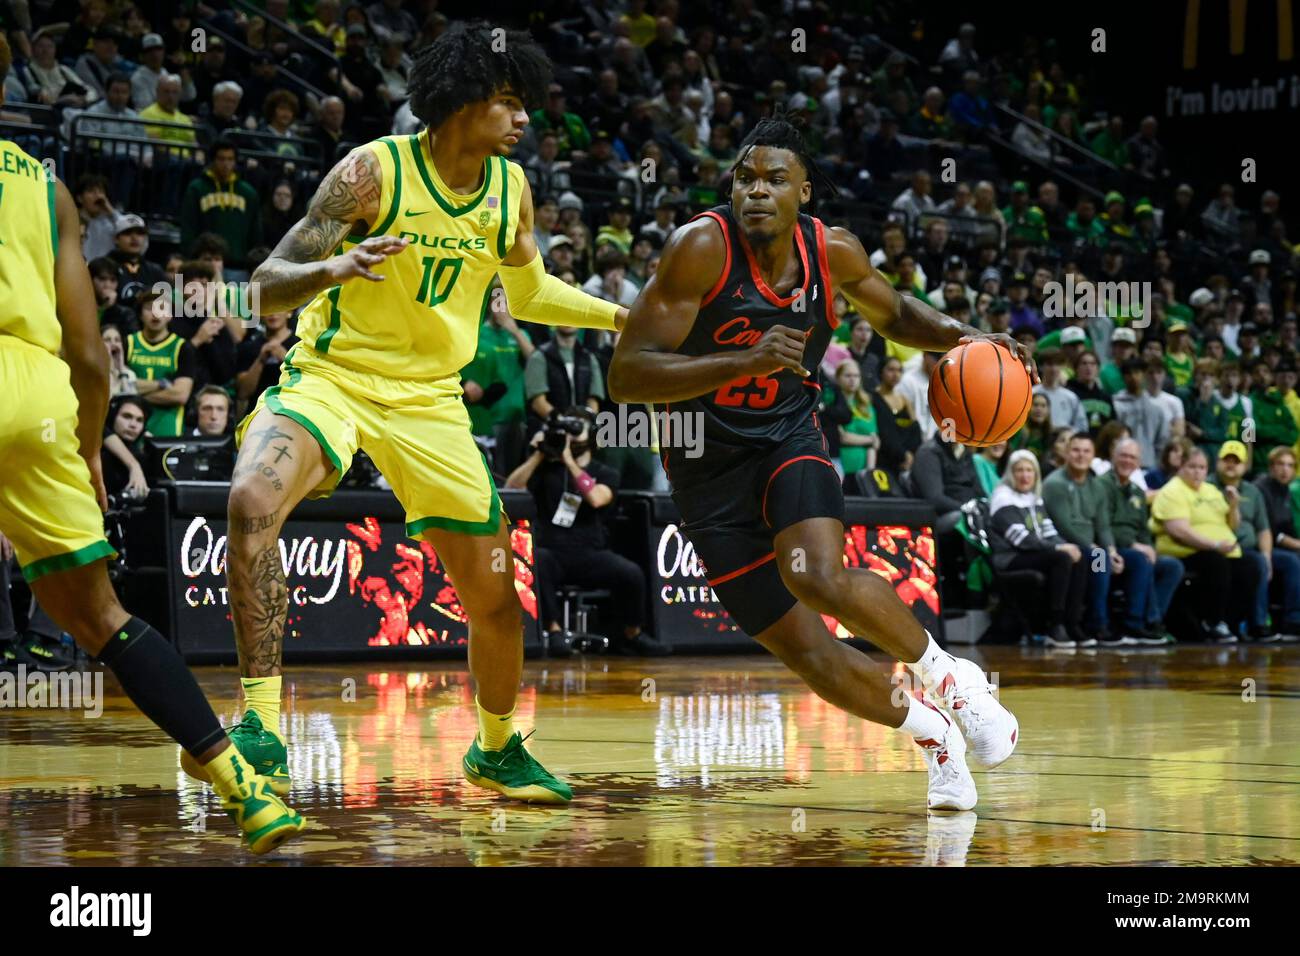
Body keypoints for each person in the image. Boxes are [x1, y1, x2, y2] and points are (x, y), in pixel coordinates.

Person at [216, 22, 632, 806]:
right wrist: (334, 265)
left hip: (432, 404)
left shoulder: (510, 189)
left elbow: (532, 293)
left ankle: (499, 748)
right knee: (249, 502)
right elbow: (264, 283)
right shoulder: (371, 172)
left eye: (524, 105)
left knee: (498, 596)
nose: (523, 119)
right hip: (332, 377)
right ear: (459, 102)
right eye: (508, 103)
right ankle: (259, 724)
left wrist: (622, 320)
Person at [609, 110, 1030, 813]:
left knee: (819, 574)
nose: (756, 191)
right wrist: (739, 359)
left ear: (805, 191)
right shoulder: (698, 250)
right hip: (703, 468)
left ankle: (951, 679)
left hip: (785, 435)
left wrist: (968, 334)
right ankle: (936, 738)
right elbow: (627, 376)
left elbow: (894, 313)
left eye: (776, 179)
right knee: (809, 654)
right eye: (744, 177)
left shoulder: (831, 251)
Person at [0, 104, 304, 852]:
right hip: (35, 392)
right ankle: (245, 790)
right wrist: (84, 445)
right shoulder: (40, 185)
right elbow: (88, 351)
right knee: (104, 619)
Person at [505, 407, 667, 656]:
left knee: (631, 573)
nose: (571, 437)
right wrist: (539, 454)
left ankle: (632, 633)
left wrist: (568, 460)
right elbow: (512, 487)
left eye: (577, 430)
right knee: (539, 562)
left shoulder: (604, 473)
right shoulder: (545, 470)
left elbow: (596, 498)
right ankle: (554, 631)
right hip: (552, 550)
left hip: (590, 552)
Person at [1150, 446, 1261, 643]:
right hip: (1185, 552)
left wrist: (1234, 505)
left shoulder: (1211, 490)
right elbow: (1179, 530)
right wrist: (1215, 544)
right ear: (1181, 467)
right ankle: (1212, 620)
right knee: (1216, 563)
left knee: (1251, 565)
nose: (1197, 472)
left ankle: (1229, 622)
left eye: (1202, 467)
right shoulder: (1172, 491)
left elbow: (1232, 526)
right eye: (1192, 466)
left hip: (1219, 550)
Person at [1041, 433, 1134, 646]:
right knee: (1098, 559)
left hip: (1093, 548)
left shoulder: (1097, 486)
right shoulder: (1055, 483)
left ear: (1093, 455)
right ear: (1066, 453)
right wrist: (1095, 548)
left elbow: (1103, 525)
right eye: (1075, 450)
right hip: (1065, 545)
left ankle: (1133, 624)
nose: (1080, 456)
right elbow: (1064, 525)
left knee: (1130, 559)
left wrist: (1111, 550)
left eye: (1086, 451)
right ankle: (1097, 624)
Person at [989, 450, 1087, 648]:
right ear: (1010, 474)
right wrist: (1061, 547)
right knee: (1062, 558)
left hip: (1038, 553)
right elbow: (1022, 540)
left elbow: (1049, 532)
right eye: (1019, 470)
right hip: (1010, 557)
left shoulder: (1035, 497)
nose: (1025, 476)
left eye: (1029, 471)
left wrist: (1067, 546)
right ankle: (1055, 625)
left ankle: (1072, 623)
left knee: (1083, 556)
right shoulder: (1002, 498)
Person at [1100, 438, 1181, 645]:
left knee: (1172, 566)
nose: (1127, 461)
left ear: (1138, 463)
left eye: (1132, 457)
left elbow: (1144, 530)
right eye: (1123, 456)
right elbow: (1103, 526)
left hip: (1137, 548)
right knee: (1140, 560)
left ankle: (1152, 621)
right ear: (1113, 457)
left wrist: (1150, 548)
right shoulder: (1101, 485)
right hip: (1107, 548)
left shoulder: (1137, 490)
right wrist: (1135, 545)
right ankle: (1133, 624)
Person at [1213, 441, 1290, 641]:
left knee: (1260, 562)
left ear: (1245, 466)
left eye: (1236, 461)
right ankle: (1246, 624)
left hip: (1249, 548)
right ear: (1217, 461)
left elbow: (1263, 529)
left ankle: (1260, 624)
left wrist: (1267, 556)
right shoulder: (1207, 487)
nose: (1231, 464)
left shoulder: (1253, 491)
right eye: (1226, 460)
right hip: (1218, 547)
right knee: (1251, 564)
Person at [125, 289, 197, 437]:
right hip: (129, 426)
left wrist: (132, 393)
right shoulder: (128, 343)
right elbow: (117, 386)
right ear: (140, 314)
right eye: (149, 308)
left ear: (170, 315)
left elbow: (180, 395)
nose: (156, 313)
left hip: (168, 428)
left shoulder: (182, 347)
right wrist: (162, 384)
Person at [1252, 446, 1300, 642]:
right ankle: (1292, 621)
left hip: (1280, 544)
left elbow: (1288, 526)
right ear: (1271, 467)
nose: (1285, 470)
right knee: (1292, 561)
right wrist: (1297, 544)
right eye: (1280, 464)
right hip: (1260, 544)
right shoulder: (1262, 488)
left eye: (1290, 465)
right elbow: (1268, 528)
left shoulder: (1287, 490)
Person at [833, 359, 879, 476]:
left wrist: (869, 472)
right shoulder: (832, 403)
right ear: (838, 378)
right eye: (848, 375)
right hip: (839, 465)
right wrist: (869, 439)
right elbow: (843, 437)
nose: (852, 379)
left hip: (864, 469)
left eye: (856, 376)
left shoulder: (866, 404)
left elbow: (875, 442)